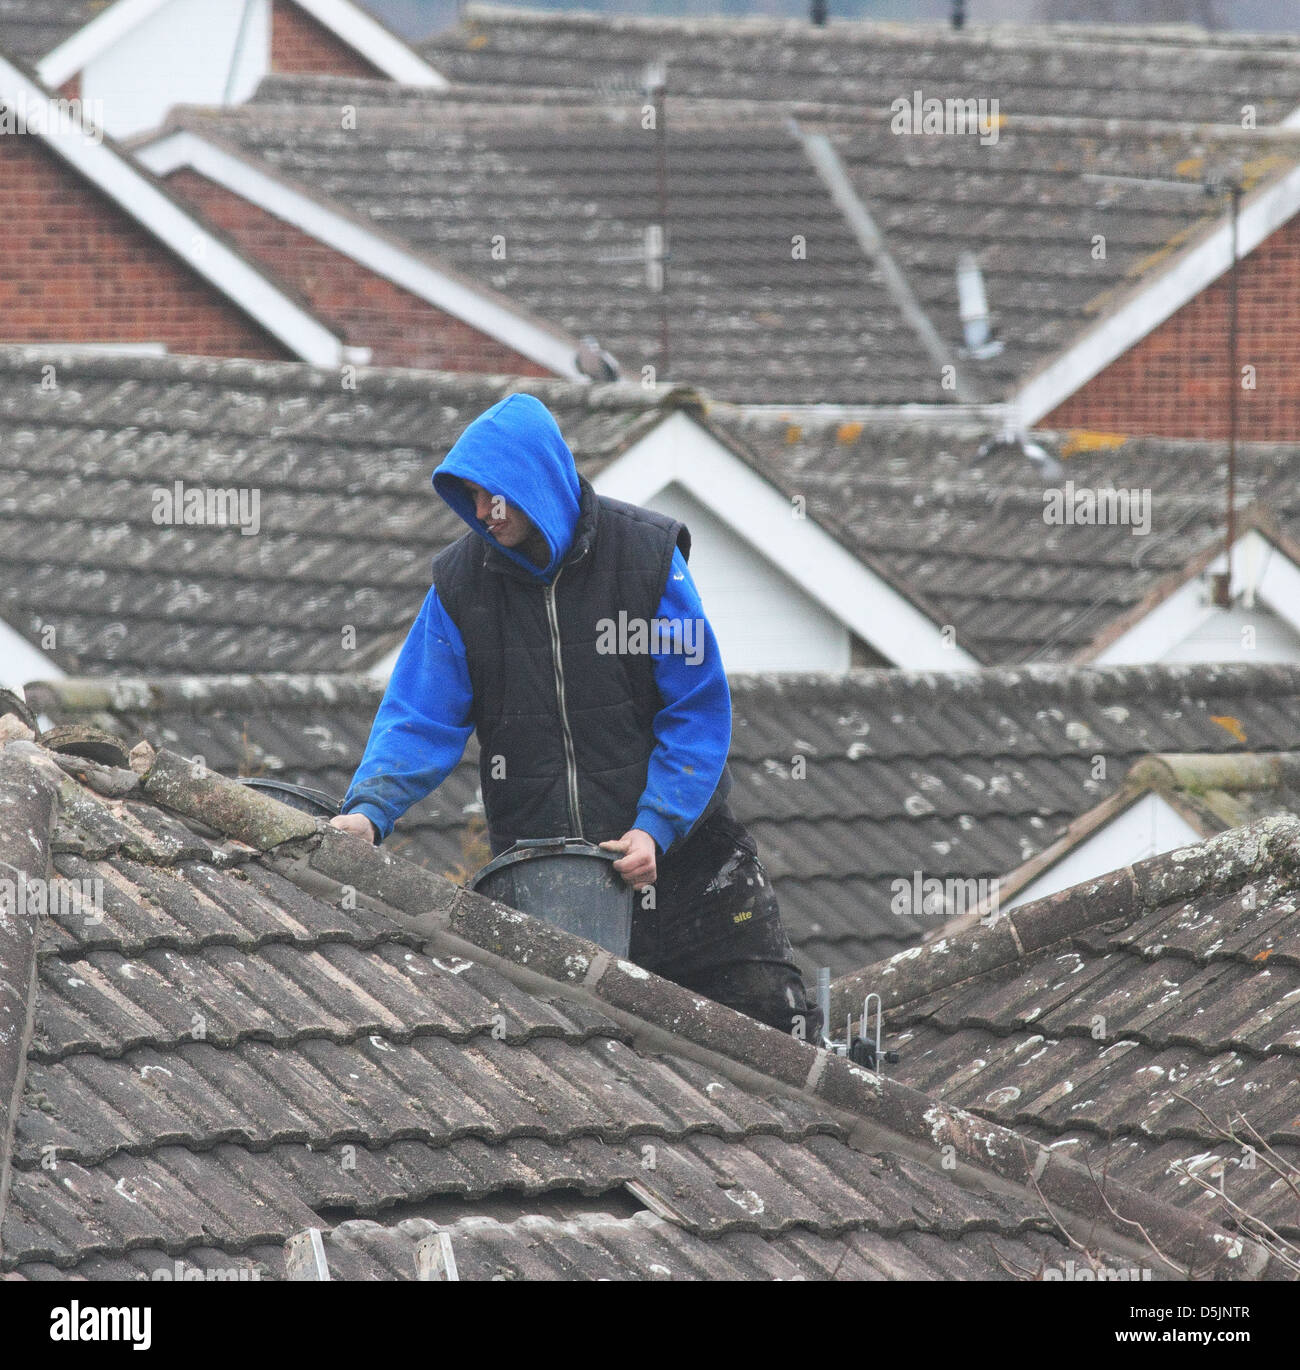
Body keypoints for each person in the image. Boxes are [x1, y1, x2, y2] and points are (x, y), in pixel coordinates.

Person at [330, 392, 817, 1038]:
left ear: (533, 481)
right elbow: (418, 717)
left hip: (692, 873)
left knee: (774, 1047)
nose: (480, 513)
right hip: (551, 893)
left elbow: (695, 709)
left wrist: (655, 826)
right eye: (469, 497)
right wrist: (368, 812)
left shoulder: (646, 561)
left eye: (491, 495)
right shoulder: (461, 590)